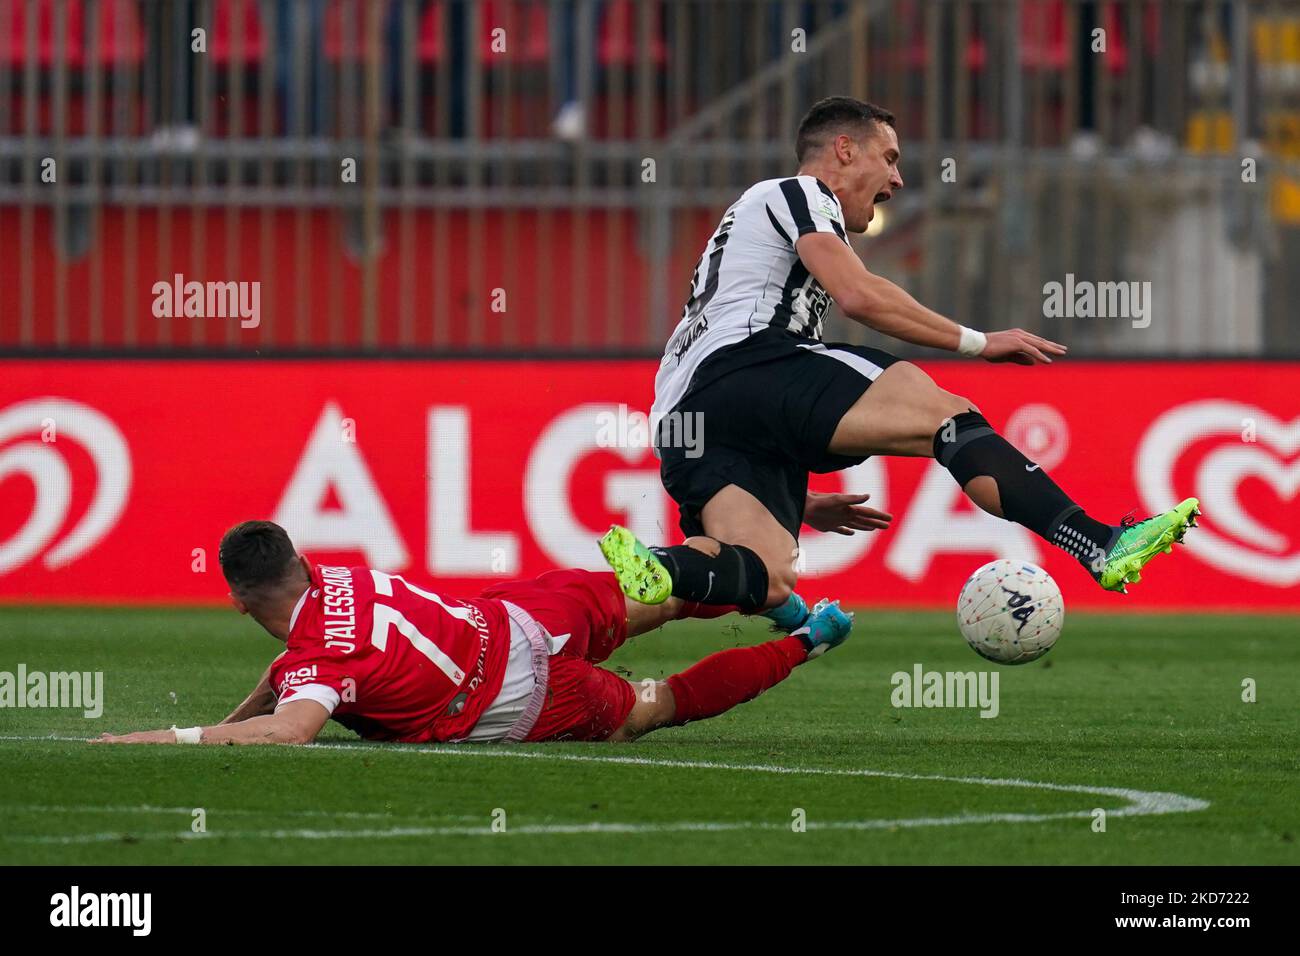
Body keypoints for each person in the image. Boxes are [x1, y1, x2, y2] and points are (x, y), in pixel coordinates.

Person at [599, 95, 1198, 613]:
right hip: (750, 364)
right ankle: (1096, 543)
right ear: (843, 150)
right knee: (947, 418)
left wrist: (796, 495)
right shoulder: (798, 192)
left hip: (686, 423)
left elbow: (722, 408)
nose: (897, 179)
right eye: (889, 158)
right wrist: (979, 342)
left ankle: (664, 567)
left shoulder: (745, 236)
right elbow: (859, 296)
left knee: (768, 575)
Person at [93, 520, 852, 747]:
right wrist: (238, 713)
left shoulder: (319, 658)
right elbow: (285, 678)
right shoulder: (341, 579)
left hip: (520, 695)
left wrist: (161, 739)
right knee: (674, 595)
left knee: (656, 706)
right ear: (305, 561)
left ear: (237, 603)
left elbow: (290, 727)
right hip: (521, 611)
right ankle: (771, 595)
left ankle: (805, 639)